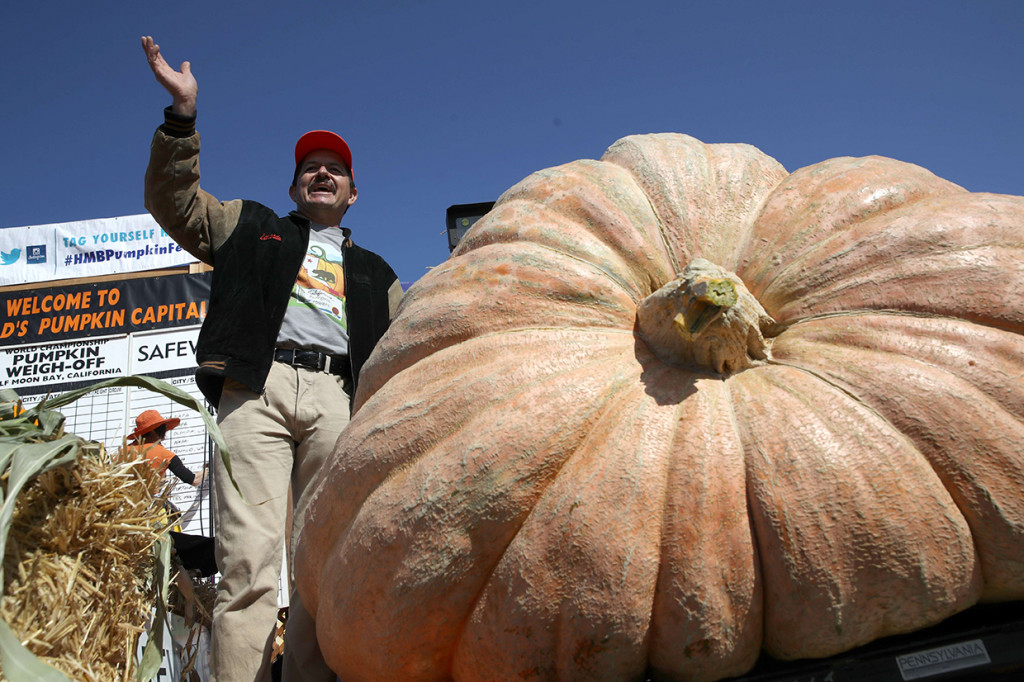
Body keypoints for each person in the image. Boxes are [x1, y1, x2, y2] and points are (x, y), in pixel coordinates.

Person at [141, 36, 403, 682]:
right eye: (310, 166)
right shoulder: (251, 225)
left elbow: (418, 342)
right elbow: (174, 204)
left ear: (352, 194)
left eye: (334, 168)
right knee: (249, 564)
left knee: (321, 567)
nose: (322, 172)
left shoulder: (378, 275)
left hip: (338, 401)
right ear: (293, 186)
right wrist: (182, 118)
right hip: (254, 391)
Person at [128, 408, 206, 487]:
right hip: (150, 498)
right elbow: (194, 480)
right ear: (154, 432)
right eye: (163, 428)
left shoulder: (123, 451)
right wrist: (209, 469)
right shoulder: (164, 454)